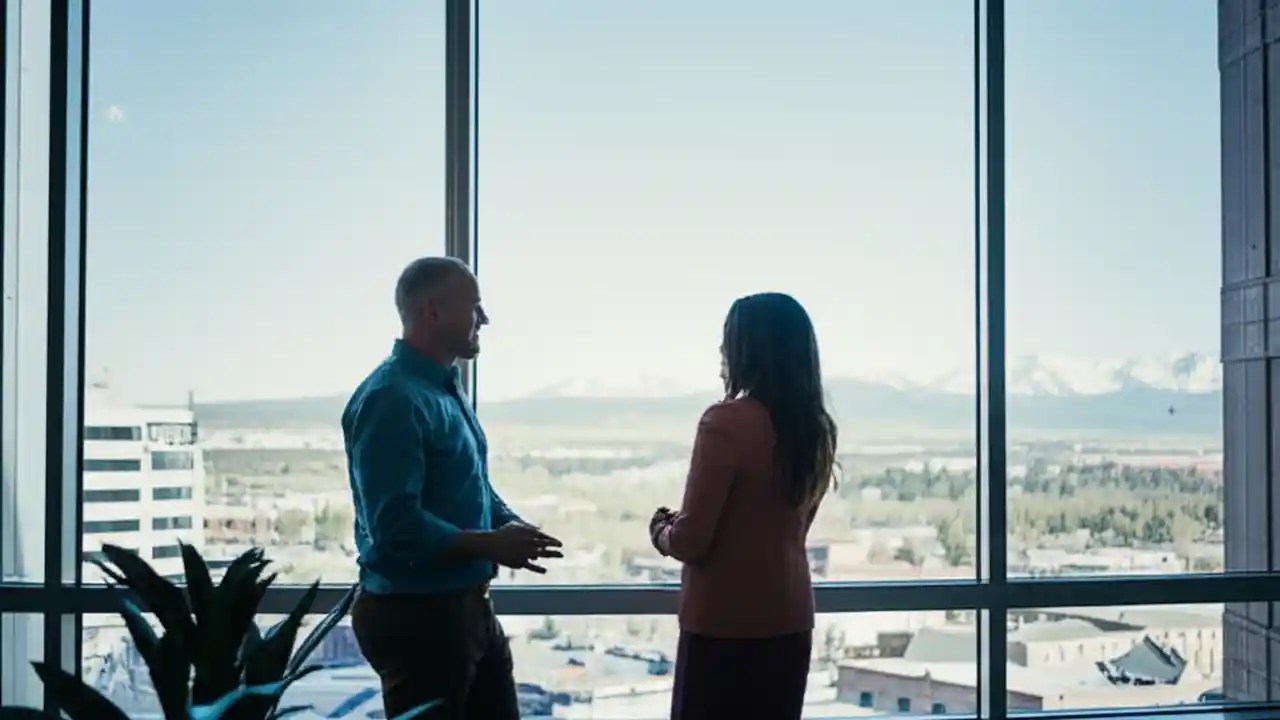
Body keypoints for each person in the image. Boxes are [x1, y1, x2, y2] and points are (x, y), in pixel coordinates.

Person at [345, 256, 563, 720]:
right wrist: (490, 543)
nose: (484, 319)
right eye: (475, 306)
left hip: (464, 608)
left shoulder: (443, 389)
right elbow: (395, 526)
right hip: (418, 617)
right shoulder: (393, 399)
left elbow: (469, 483)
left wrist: (505, 523)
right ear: (433, 312)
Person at [649, 292, 838, 720]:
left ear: (748, 350)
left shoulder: (726, 422)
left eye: (728, 340)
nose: (721, 351)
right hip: (790, 623)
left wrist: (661, 529)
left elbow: (693, 540)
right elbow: (784, 530)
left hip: (723, 629)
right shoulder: (816, 430)